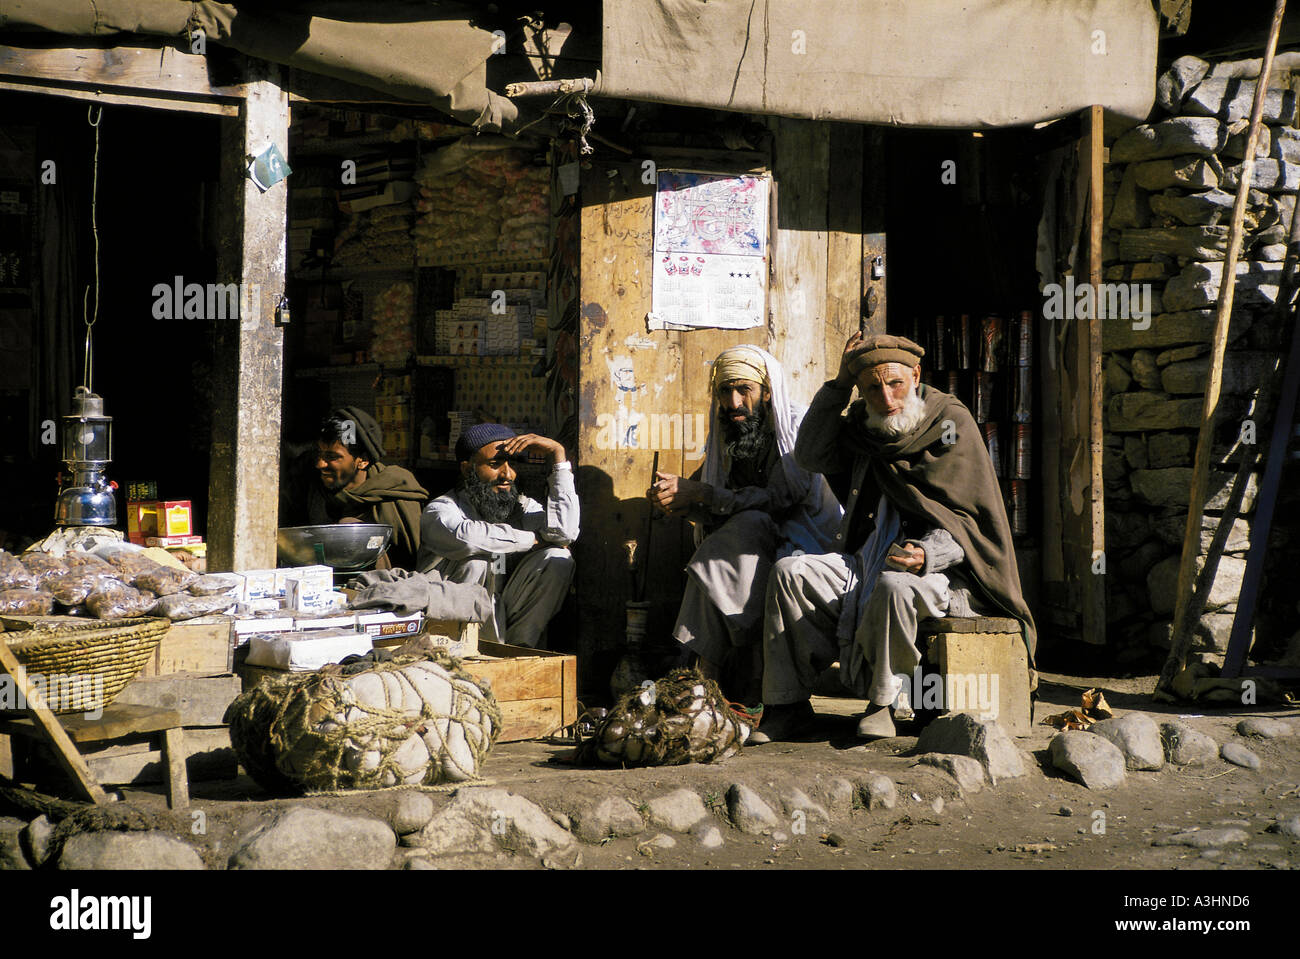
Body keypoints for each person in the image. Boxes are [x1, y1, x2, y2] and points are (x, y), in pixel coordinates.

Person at [750, 332, 1037, 744]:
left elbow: (969, 520)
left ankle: (882, 702)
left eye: (895, 383)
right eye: (872, 387)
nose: (886, 398)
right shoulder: (864, 427)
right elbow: (810, 455)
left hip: (952, 571)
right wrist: (838, 386)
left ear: (916, 375)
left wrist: (926, 553)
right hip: (867, 558)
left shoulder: (949, 423)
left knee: (895, 586)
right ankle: (787, 705)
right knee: (790, 572)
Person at [647, 345, 842, 700]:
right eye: (725, 391)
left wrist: (702, 494)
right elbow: (722, 496)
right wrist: (681, 500)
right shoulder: (731, 432)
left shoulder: (794, 425)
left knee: (741, 532)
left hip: (809, 541)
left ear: (767, 392)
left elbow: (782, 499)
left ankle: (704, 671)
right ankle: (707, 675)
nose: (733, 402)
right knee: (728, 543)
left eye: (743, 390)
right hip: (755, 541)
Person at [416, 423, 578, 648]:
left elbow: (564, 533)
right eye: (495, 464)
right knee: (477, 561)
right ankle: (467, 649)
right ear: (467, 469)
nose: (507, 474)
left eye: (512, 464)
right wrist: (532, 540)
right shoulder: (441, 510)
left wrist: (558, 457)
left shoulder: (520, 506)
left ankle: (519, 651)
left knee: (558, 559)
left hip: (504, 620)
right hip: (448, 629)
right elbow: (469, 538)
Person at [283, 408, 429, 571]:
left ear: (363, 461)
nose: (320, 464)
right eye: (320, 454)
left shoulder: (394, 494)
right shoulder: (308, 486)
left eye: (332, 457)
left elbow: (413, 560)